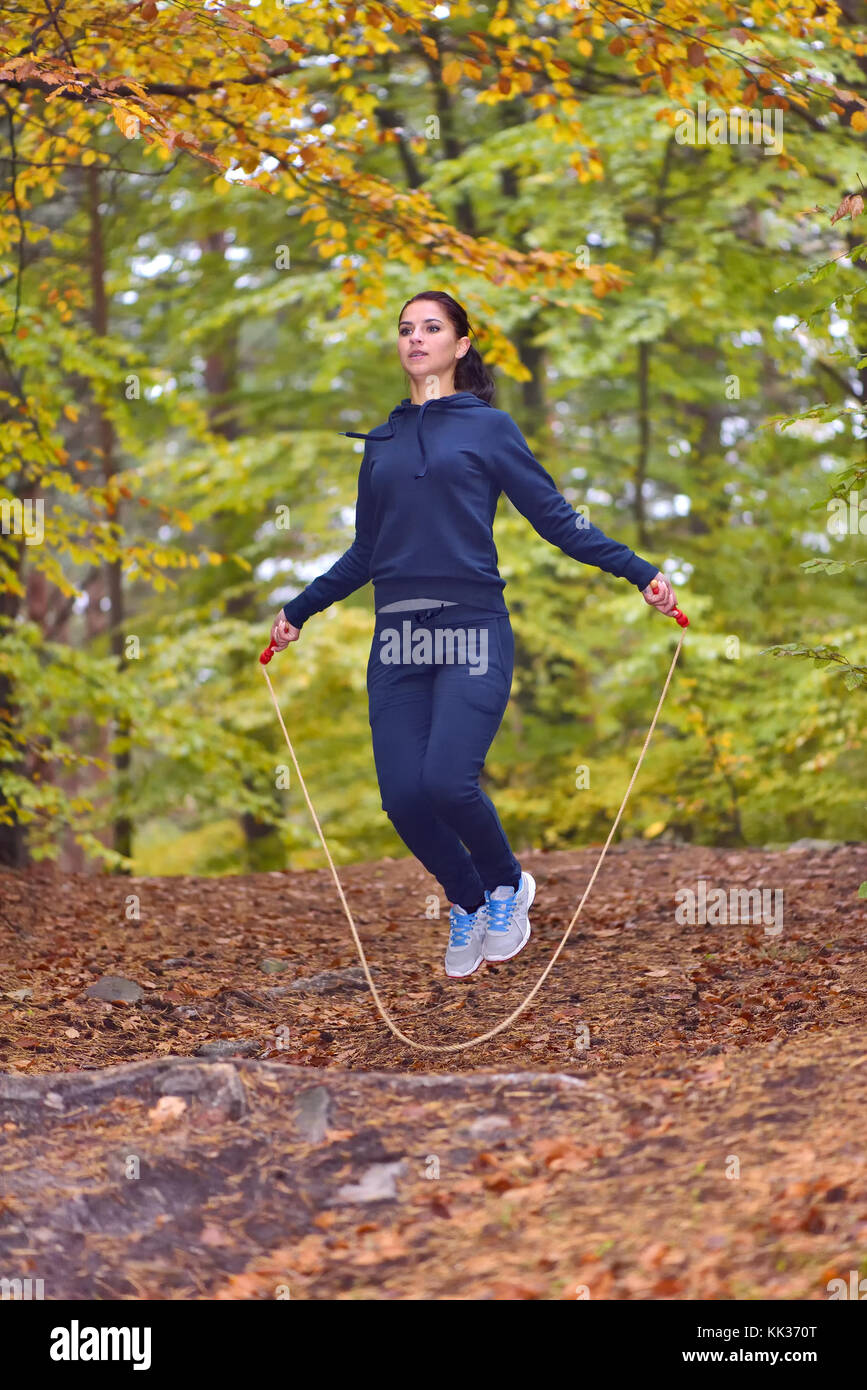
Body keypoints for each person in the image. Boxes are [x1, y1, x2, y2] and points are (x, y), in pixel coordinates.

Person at [269, 291, 680, 979]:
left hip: (470, 627)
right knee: (401, 796)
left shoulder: (489, 430)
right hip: (398, 637)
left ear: (461, 344)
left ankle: (506, 884)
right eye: (405, 329)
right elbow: (365, 552)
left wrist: (639, 572)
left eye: (431, 327)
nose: (415, 339)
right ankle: (466, 902)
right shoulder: (382, 440)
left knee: (447, 781)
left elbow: (555, 517)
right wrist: (298, 610)